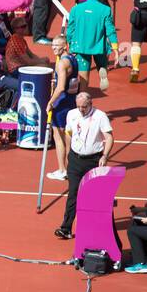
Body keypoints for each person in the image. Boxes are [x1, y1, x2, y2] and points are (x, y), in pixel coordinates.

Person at [54, 91, 112, 240]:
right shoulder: (72, 114)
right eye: (79, 106)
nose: (81, 109)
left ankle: (93, 225)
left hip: (93, 160)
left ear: (90, 104)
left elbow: (109, 137)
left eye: (84, 107)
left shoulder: (100, 116)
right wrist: (68, 153)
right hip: (75, 159)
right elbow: (68, 133)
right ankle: (66, 227)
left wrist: (105, 156)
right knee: (73, 193)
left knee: (93, 195)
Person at [66, 0, 119, 92]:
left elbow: (70, 29)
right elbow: (110, 31)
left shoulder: (76, 9)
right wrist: (115, 49)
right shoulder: (106, 9)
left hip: (81, 47)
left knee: (83, 78)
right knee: (102, 63)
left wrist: (70, 44)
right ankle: (102, 69)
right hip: (99, 47)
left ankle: (83, 97)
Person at [44, 36, 80, 181]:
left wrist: (50, 102)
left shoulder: (61, 64)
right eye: (52, 45)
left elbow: (60, 88)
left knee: (59, 137)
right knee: (70, 136)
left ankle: (62, 169)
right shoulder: (73, 59)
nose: (53, 48)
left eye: (57, 45)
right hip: (71, 100)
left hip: (62, 102)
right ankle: (71, 169)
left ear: (65, 46)